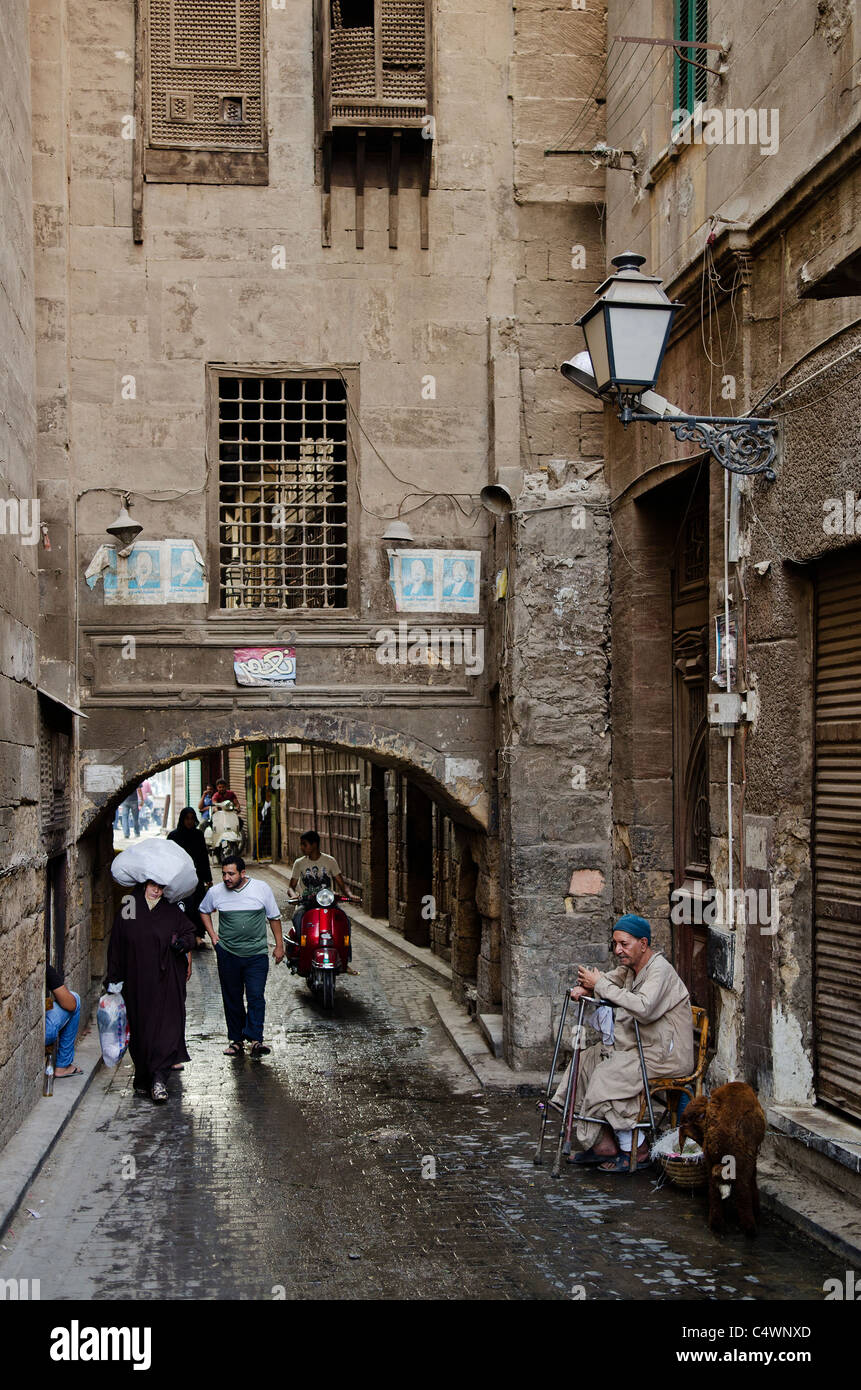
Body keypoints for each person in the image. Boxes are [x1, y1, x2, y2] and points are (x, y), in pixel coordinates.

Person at [551, 914, 693, 1173]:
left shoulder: (660, 971)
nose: (618, 950)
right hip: (639, 1049)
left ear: (643, 943)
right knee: (588, 1060)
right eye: (615, 944)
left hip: (664, 1055)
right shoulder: (630, 968)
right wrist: (588, 988)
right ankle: (603, 1143)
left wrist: (600, 986)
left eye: (624, 944)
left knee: (610, 1073)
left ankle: (636, 1151)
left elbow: (644, 1007)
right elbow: (608, 981)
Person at [105, 878, 195, 1103]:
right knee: (141, 1032)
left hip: (166, 983)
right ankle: (143, 1077)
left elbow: (189, 934)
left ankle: (159, 1080)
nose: (157, 891)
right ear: (144, 884)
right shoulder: (130, 905)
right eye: (153, 886)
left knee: (167, 1029)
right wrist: (114, 978)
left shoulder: (171, 908)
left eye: (161, 887)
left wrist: (182, 944)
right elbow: (117, 942)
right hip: (137, 983)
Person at [199, 856, 284, 1059]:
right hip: (228, 953)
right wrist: (213, 937)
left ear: (243, 873)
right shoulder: (216, 892)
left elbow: (274, 917)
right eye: (224, 874)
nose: (227, 878)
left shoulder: (261, 888)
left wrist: (279, 945)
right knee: (232, 998)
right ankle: (236, 1040)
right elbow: (203, 911)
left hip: (256, 954)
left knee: (256, 996)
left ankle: (255, 1039)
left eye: (231, 874)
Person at [286, 830, 357, 966]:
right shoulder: (299, 863)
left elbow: (342, 885)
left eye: (304, 844)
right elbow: (291, 886)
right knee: (297, 917)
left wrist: (350, 895)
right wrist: (295, 896)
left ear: (314, 845)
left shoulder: (330, 861)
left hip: (327, 904)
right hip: (307, 903)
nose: (301, 847)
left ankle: (345, 958)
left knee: (345, 921)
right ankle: (303, 950)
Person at [167, 806, 213, 946]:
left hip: (196, 877)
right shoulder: (173, 836)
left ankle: (198, 935)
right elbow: (168, 858)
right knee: (183, 907)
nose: (189, 821)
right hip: (179, 878)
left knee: (198, 906)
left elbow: (203, 857)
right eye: (187, 818)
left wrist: (208, 878)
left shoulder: (198, 835)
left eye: (192, 819)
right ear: (182, 819)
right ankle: (183, 934)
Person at [45, 964, 82, 1079]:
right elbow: (70, 1004)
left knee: (49, 1003)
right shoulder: (44, 967)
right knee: (75, 999)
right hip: (45, 1033)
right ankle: (63, 1065)